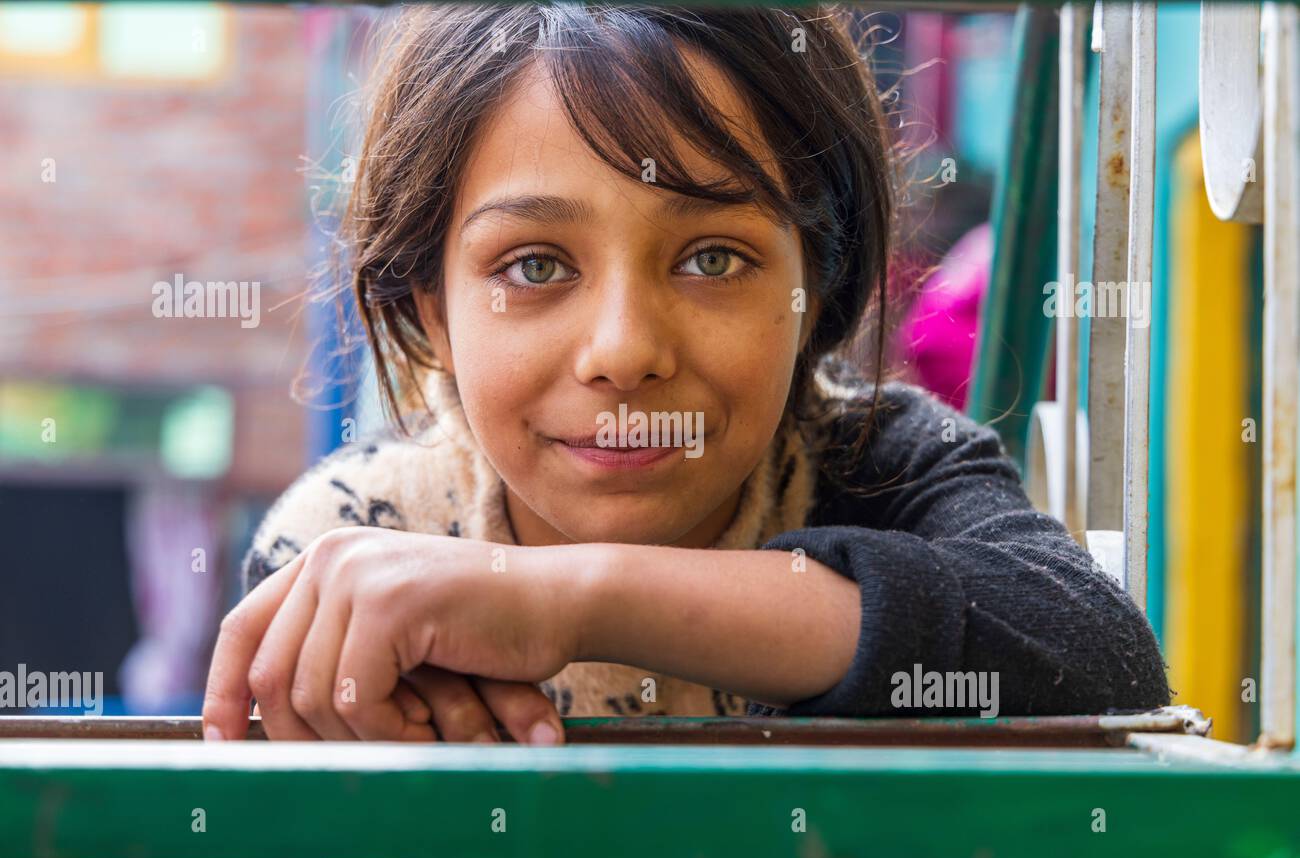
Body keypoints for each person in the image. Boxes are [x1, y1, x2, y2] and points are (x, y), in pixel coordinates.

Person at [202, 4, 1170, 745]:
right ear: (430, 313)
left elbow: (1098, 660)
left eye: (712, 258)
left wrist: (566, 597)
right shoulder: (350, 545)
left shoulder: (884, 462)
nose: (623, 350)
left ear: (815, 293)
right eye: (534, 266)